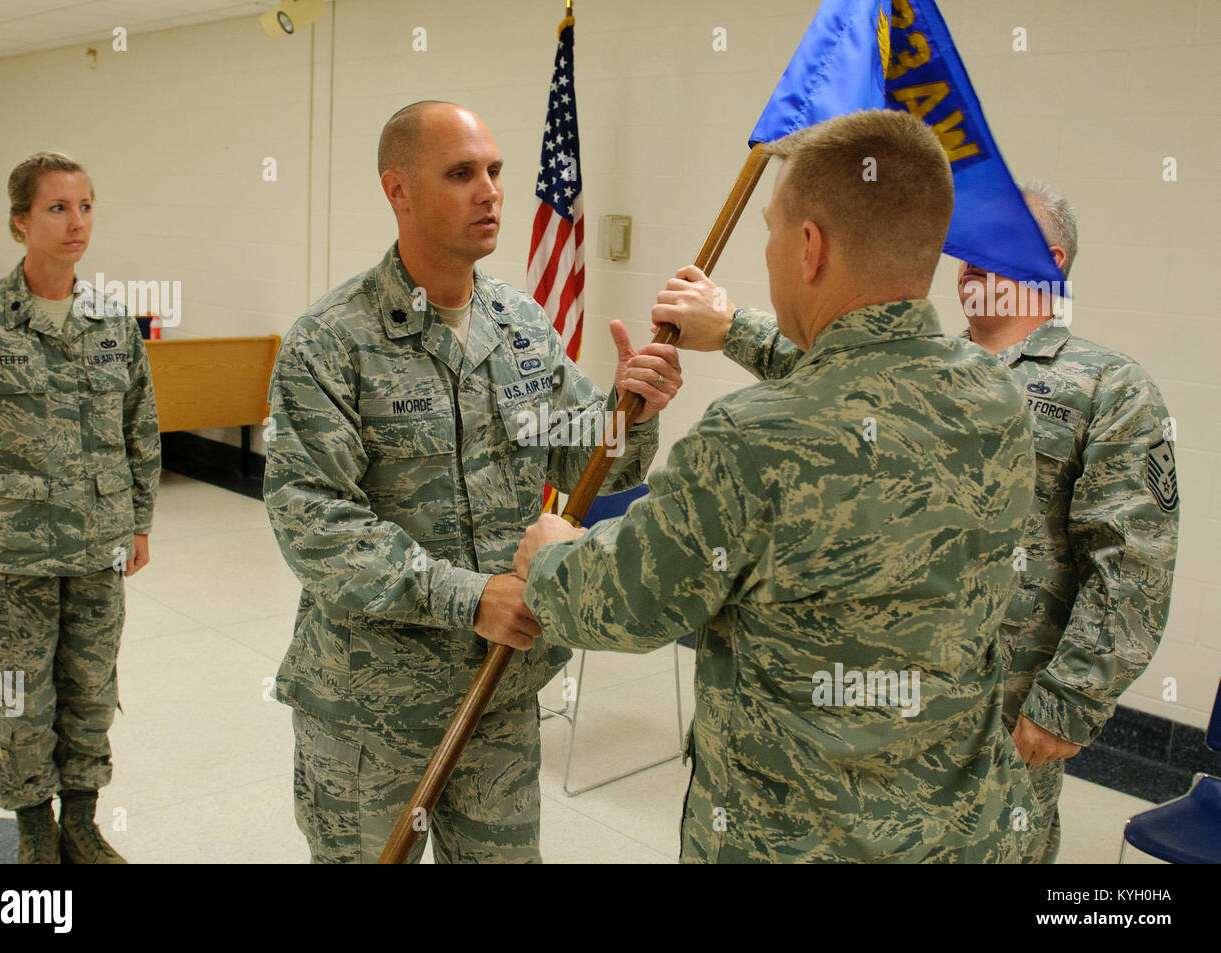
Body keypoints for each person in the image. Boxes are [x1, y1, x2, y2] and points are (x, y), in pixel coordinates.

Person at [515, 108, 1039, 863]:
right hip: (963, 829)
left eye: (770, 230)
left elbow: (629, 604)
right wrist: (734, 328)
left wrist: (551, 557)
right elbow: (867, 397)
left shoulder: (751, 437)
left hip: (794, 838)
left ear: (809, 247)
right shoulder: (997, 397)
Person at [264, 101, 682, 864]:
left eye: (494, 170)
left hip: (499, 691)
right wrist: (471, 596)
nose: (489, 191)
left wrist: (632, 411)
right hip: (372, 712)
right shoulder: (330, 342)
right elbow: (313, 524)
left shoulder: (521, 325)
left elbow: (588, 461)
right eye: (461, 173)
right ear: (398, 190)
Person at [0, 151, 161, 864]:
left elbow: (140, 427)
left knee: (90, 688)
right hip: (10, 550)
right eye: (57, 208)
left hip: (98, 544)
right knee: (21, 697)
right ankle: (33, 825)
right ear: (20, 221)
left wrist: (140, 522)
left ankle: (81, 822)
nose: (76, 222)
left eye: (85, 206)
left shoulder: (112, 321)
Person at [955, 183, 1178, 863]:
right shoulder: (920, 368)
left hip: (1003, 712)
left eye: (992, 235)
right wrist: (725, 325)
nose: (966, 255)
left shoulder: (1109, 385)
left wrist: (1068, 702)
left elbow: (1132, 565)